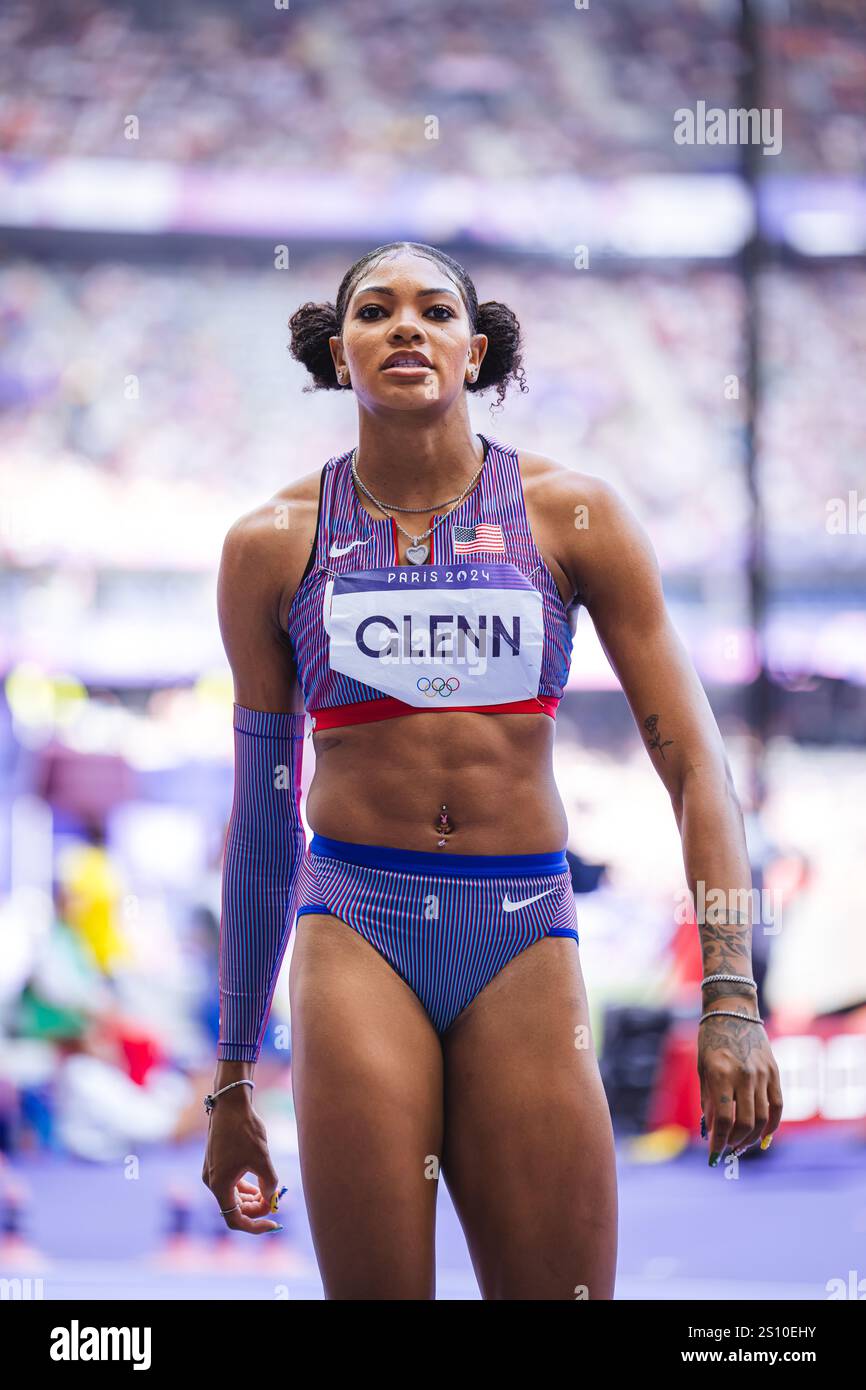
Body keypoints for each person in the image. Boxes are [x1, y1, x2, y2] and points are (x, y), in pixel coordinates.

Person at [201, 240, 783, 1300]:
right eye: (375, 312)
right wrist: (232, 1075)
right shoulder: (272, 545)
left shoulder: (573, 517)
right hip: (354, 929)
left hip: (520, 928)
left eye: (434, 310)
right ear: (341, 354)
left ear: (476, 349)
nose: (405, 327)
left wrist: (730, 995)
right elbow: (260, 819)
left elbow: (696, 765)